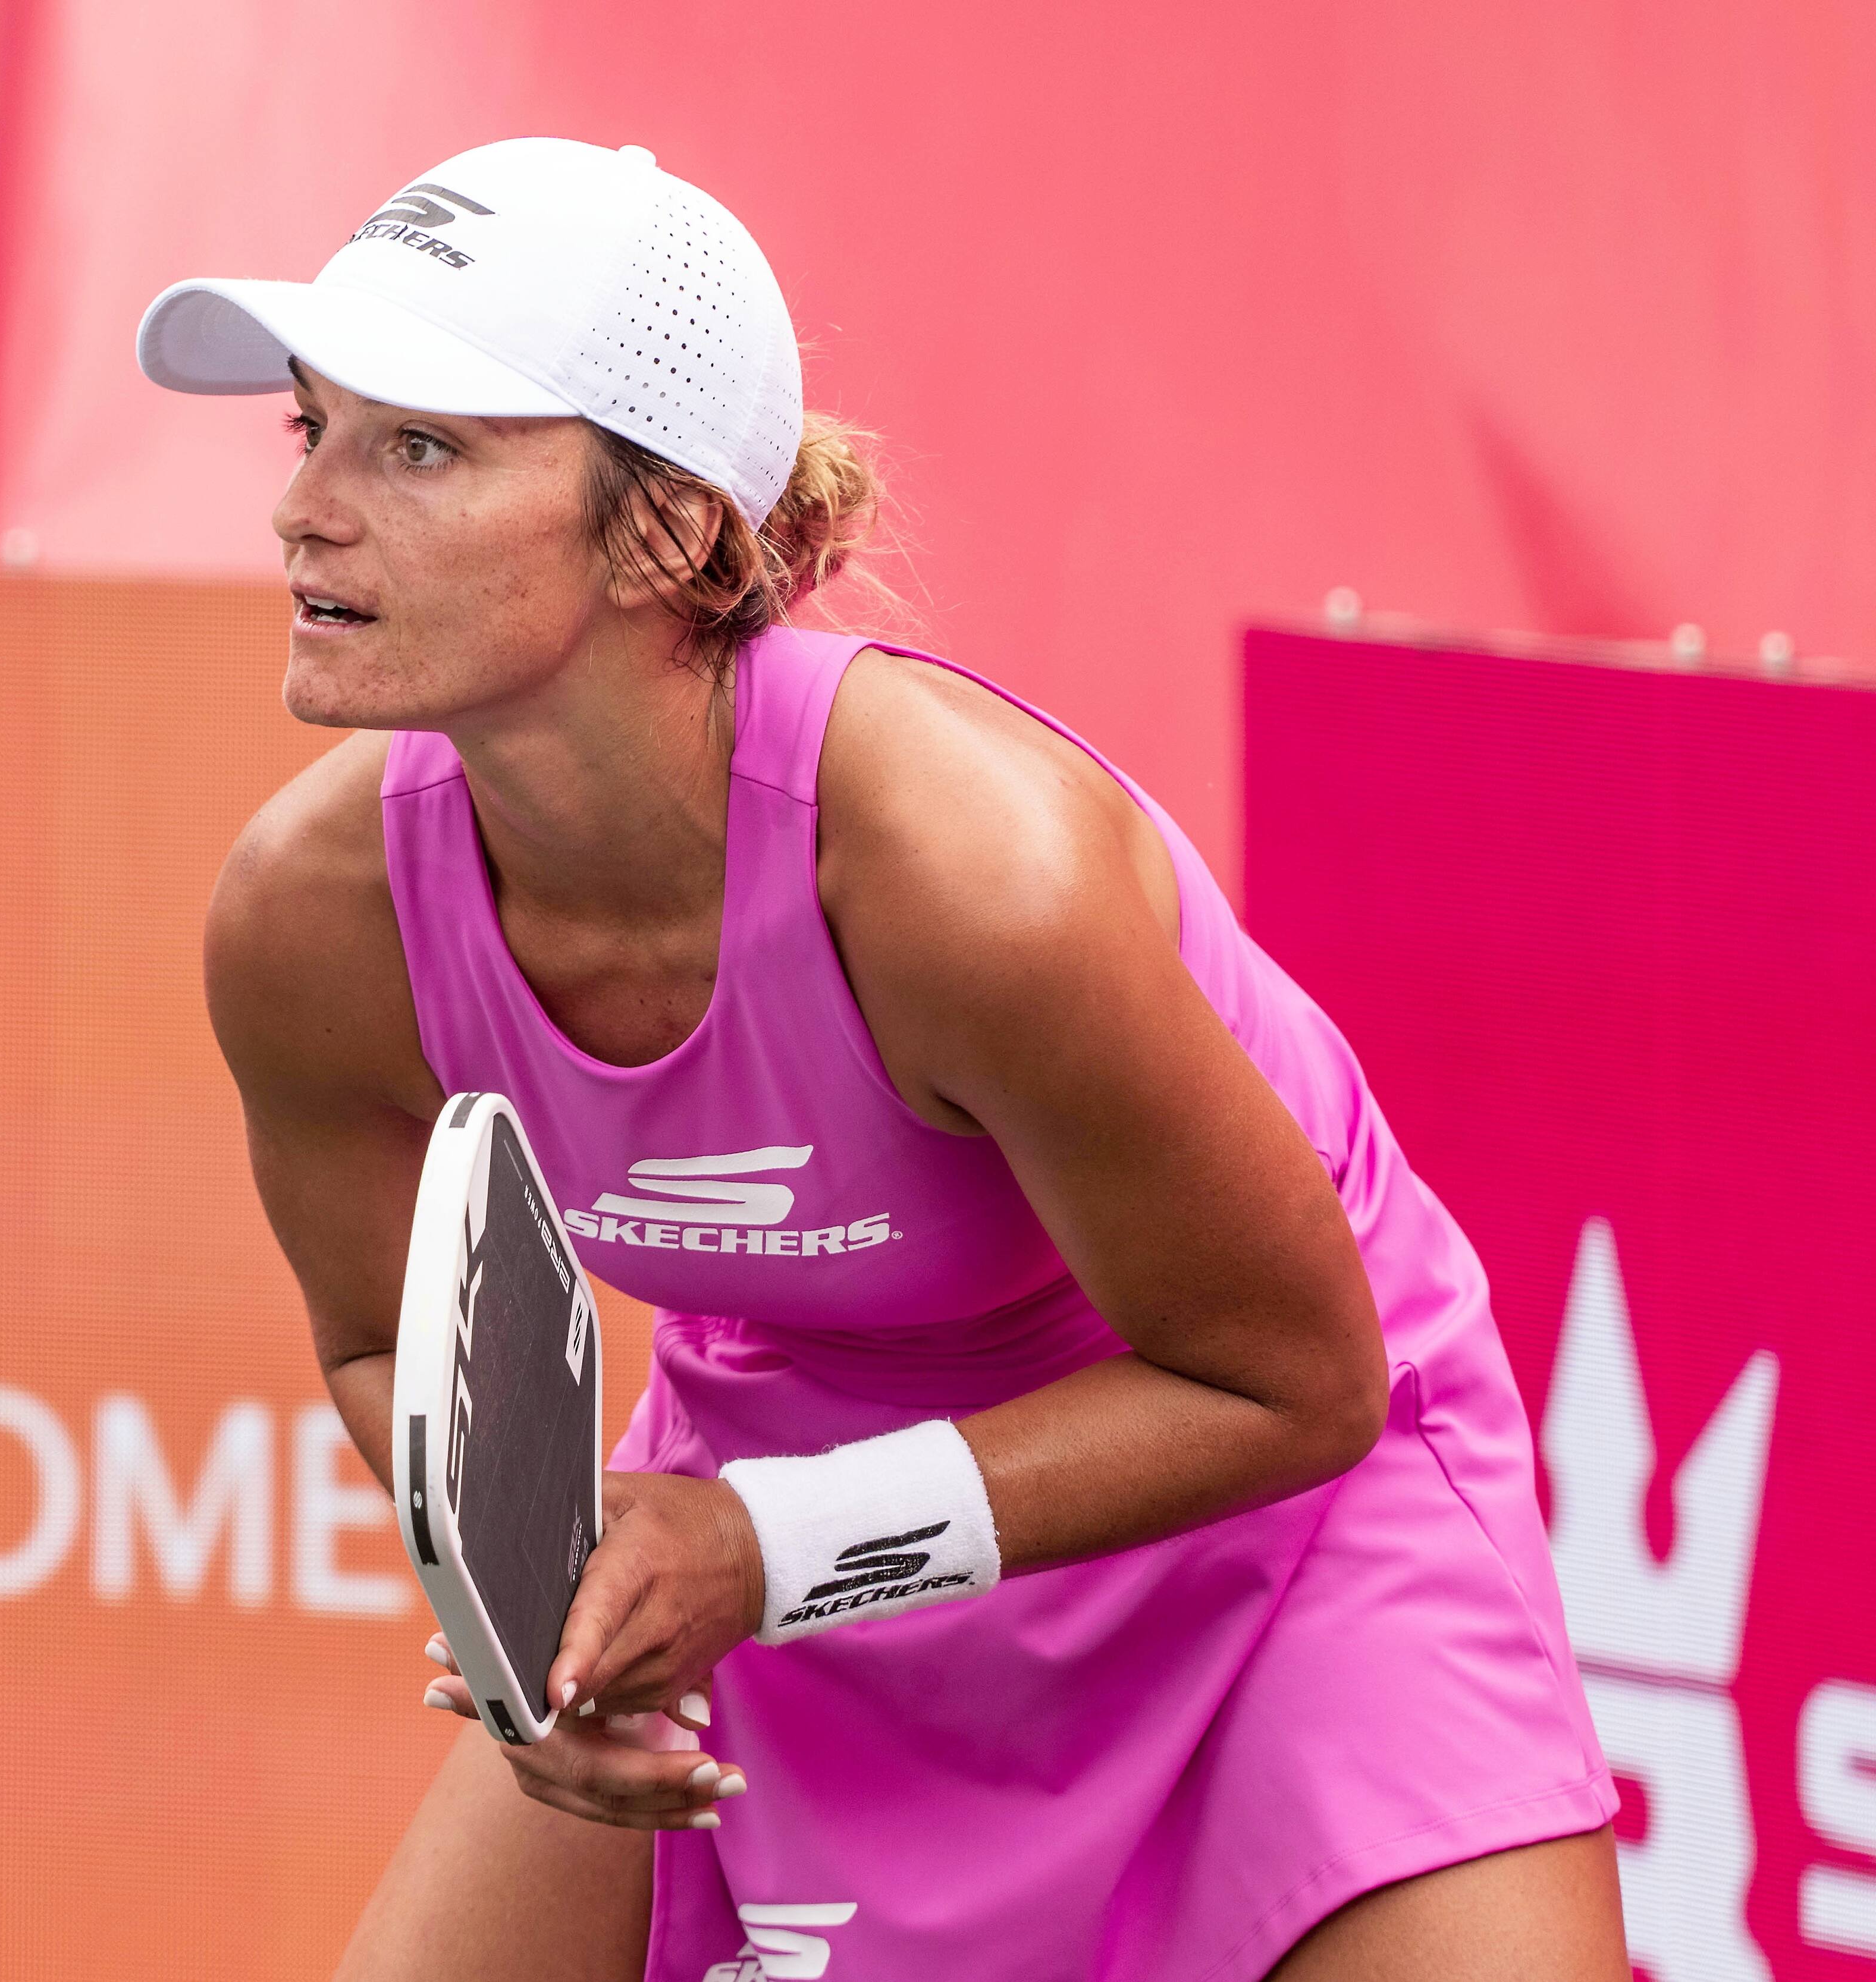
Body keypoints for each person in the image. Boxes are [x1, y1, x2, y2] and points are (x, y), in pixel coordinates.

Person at [142, 138, 1627, 1982]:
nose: (308, 512)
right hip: (768, 1492)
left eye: (422, 447)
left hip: (1270, 1506)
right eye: (313, 430)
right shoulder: (307, 915)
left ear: (671, 531)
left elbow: (1292, 1385)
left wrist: (765, 1546)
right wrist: (549, 1619)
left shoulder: (970, 875)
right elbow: (382, 1347)